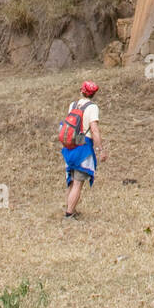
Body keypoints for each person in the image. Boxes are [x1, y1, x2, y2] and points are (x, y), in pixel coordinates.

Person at [61, 79, 107, 220]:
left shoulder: (72, 105)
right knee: (78, 183)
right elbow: (94, 129)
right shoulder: (92, 108)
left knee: (72, 179)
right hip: (83, 146)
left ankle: (70, 208)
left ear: (81, 91)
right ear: (93, 94)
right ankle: (69, 214)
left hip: (70, 144)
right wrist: (100, 149)